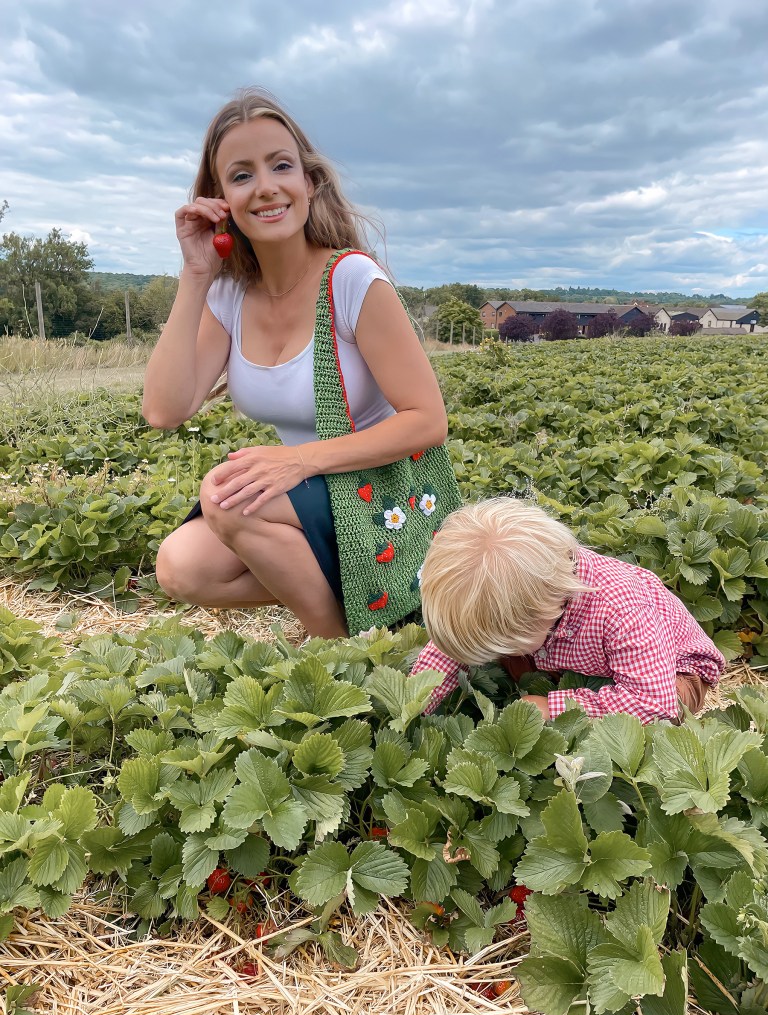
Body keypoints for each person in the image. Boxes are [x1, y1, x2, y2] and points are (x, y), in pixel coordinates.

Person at [142, 88, 449, 638]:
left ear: (309, 182)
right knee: (182, 566)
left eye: (280, 165)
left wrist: (301, 461)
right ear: (221, 201)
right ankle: (357, 596)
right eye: (241, 176)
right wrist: (194, 277)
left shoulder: (353, 280)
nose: (265, 187)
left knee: (228, 499)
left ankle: (333, 643)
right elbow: (165, 410)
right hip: (306, 493)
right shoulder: (231, 296)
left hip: (385, 495)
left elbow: (428, 421)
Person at [411, 497, 724, 723]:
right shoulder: (530, 596)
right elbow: (448, 651)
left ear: (542, 613)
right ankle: (556, 678)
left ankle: (576, 695)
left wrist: (555, 708)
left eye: (506, 642)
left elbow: (655, 705)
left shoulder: (620, 609)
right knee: (487, 638)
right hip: (571, 654)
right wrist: (414, 700)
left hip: (672, 675)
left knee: (664, 715)